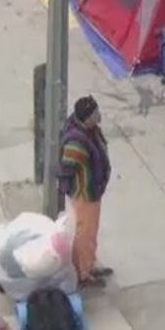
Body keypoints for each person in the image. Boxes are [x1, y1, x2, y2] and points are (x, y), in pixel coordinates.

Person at [58, 96, 113, 287]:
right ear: (87, 118)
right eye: (95, 113)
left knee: (90, 231)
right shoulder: (77, 142)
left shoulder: (89, 130)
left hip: (93, 192)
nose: (99, 115)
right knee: (86, 233)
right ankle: (83, 273)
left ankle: (89, 264)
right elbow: (66, 168)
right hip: (85, 194)